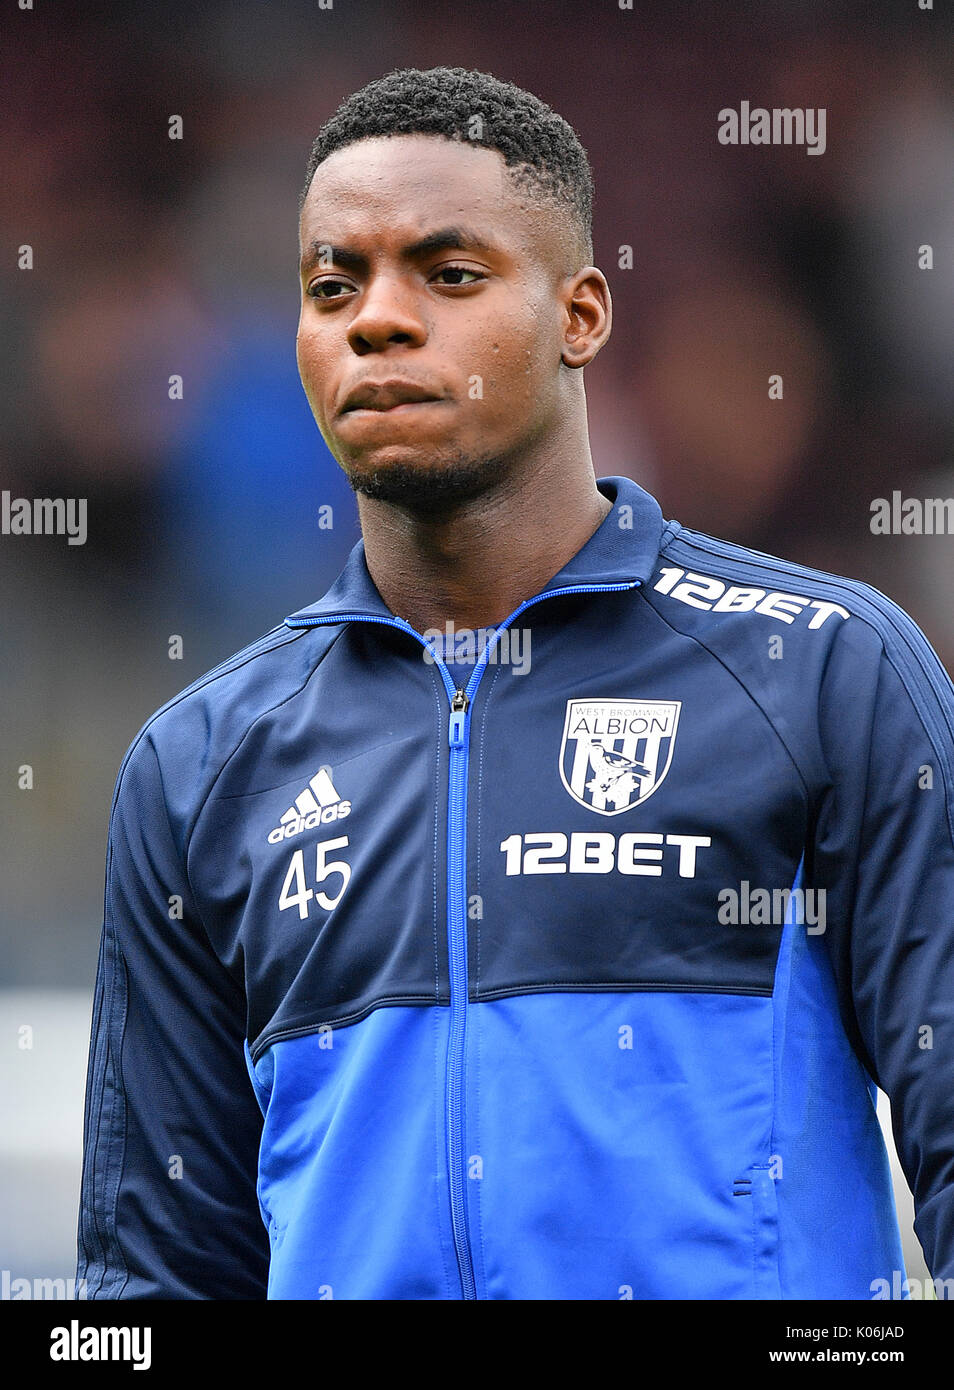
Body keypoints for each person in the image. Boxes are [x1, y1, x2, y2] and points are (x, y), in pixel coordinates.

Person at [77, 65, 954, 1301]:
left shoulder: (821, 670)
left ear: (579, 315)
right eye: (335, 285)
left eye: (448, 273)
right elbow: (152, 1283)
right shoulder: (200, 763)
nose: (376, 319)